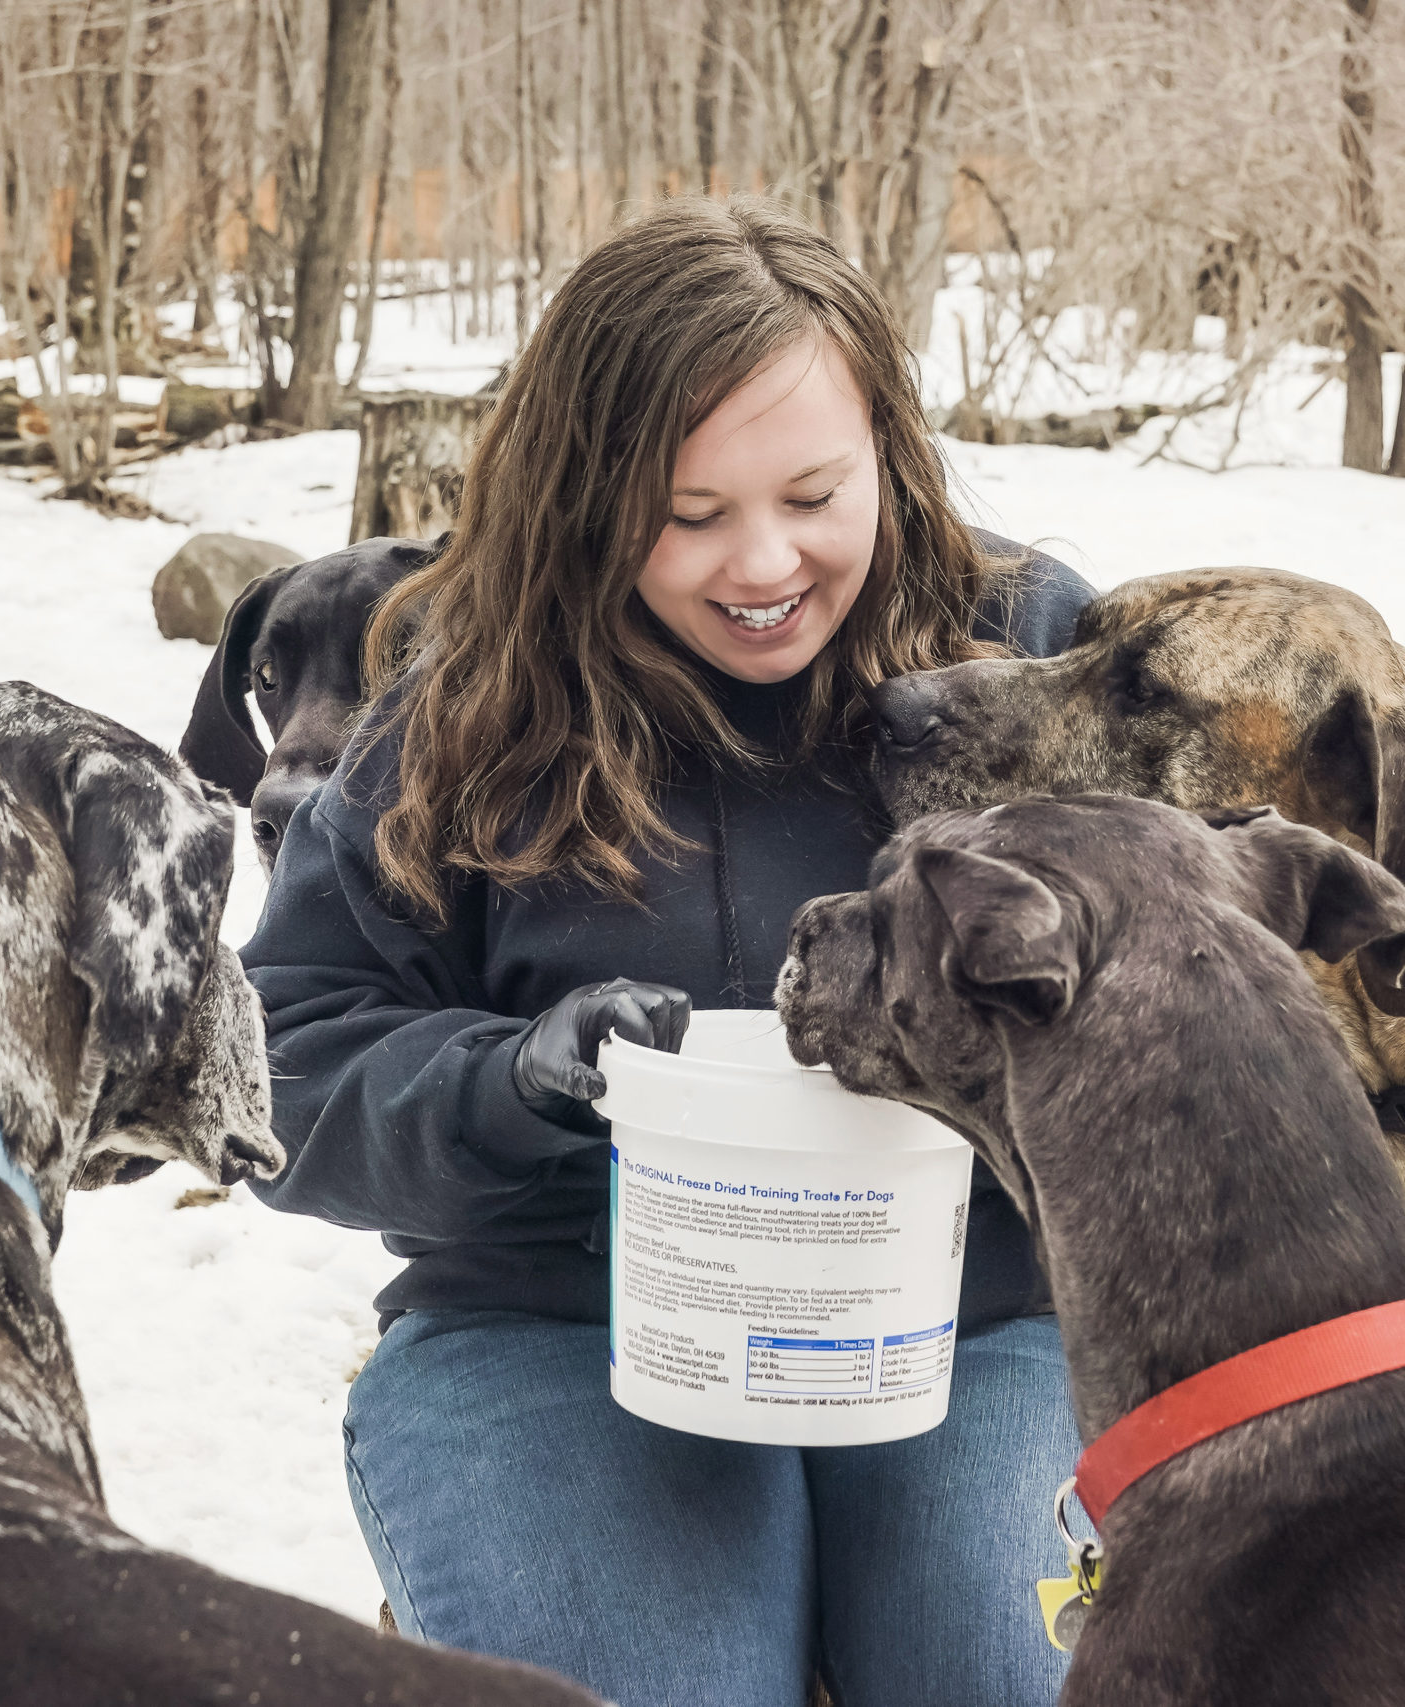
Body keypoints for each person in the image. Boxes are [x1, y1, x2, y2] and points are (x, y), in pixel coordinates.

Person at [242, 197, 1096, 1707]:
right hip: (554, 1324)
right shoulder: (462, 714)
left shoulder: (1025, 647)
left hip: (980, 1321)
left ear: (890, 456)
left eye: (815, 495)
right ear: (578, 498)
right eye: (687, 515)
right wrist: (507, 1083)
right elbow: (280, 1061)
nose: (760, 565)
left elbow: (1207, 984)